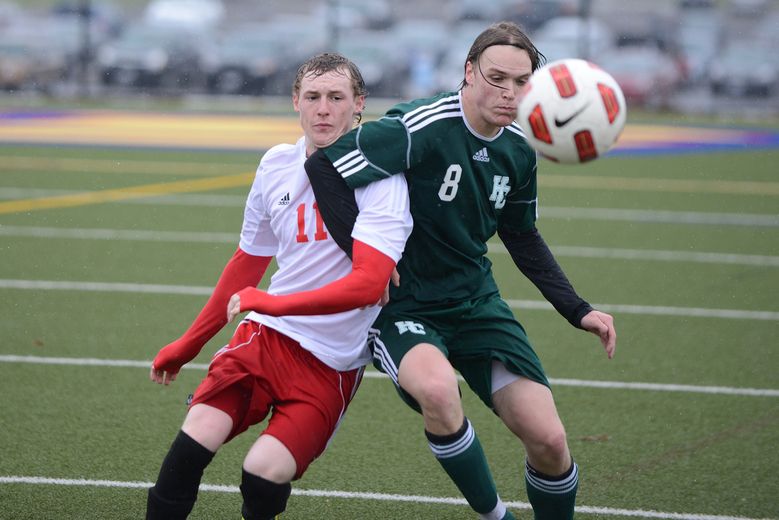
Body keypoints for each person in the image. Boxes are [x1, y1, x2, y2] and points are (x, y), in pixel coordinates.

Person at [304, 22, 616, 520]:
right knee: (437, 391)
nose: (509, 93)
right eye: (497, 78)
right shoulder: (421, 126)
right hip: (406, 306)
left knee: (550, 440)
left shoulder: (519, 147)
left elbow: (521, 234)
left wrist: (578, 309)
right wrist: (368, 263)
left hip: (475, 303)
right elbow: (325, 168)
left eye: (521, 83)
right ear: (468, 73)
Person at [145, 53, 412, 520]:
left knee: (263, 470)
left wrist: (271, 300)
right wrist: (188, 344)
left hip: (331, 362)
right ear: (295, 101)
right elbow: (246, 265)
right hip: (265, 339)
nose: (323, 109)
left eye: (336, 97)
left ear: (359, 105)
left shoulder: (382, 178)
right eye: (312, 97)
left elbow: (368, 286)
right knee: (194, 440)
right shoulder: (275, 164)